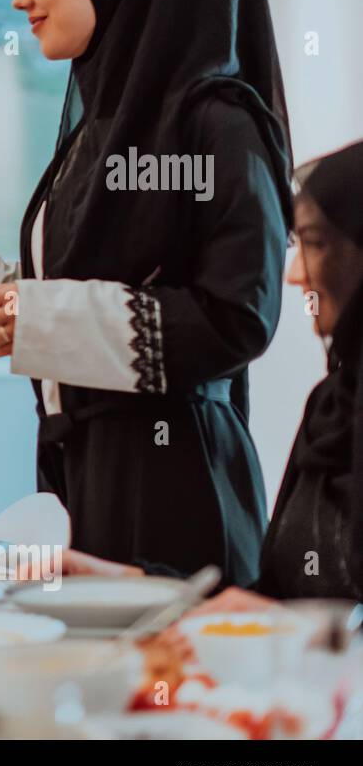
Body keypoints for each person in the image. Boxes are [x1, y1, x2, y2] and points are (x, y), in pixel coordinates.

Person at [0, 0, 293, 585]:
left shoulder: (218, 121)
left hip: (176, 483)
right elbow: (74, 300)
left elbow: (238, 317)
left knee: (168, 689)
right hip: (83, 475)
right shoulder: (101, 133)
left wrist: (44, 312)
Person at [85, 141, 363, 609]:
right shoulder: (332, 402)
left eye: (315, 245)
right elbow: (271, 601)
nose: (295, 275)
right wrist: (129, 581)